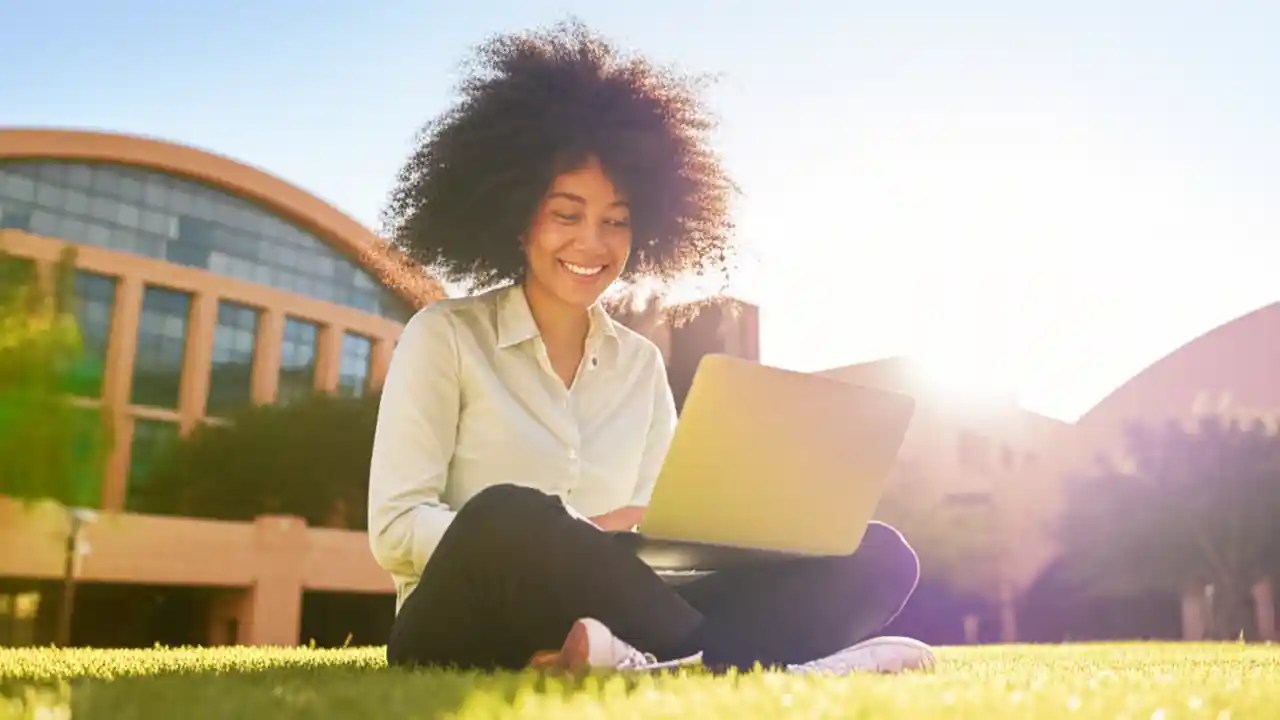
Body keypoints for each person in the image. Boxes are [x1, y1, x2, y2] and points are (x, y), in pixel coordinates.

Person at [368, 21, 935, 674]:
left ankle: (657, 661)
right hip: (468, 616)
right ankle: (748, 665)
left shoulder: (639, 365)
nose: (592, 244)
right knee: (509, 515)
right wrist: (574, 540)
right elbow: (396, 528)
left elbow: (657, 540)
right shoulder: (444, 337)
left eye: (617, 221)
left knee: (876, 554)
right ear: (518, 217)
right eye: (566, 213)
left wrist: (685, 539)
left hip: (619, 610)